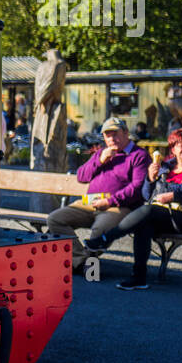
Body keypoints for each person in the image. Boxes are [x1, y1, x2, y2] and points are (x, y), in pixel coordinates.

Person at [86, 127, 182, 290]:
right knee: (143, 223)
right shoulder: (164, 167)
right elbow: (146, 195)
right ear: (173, 149)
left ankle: (105, 239)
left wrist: (173, 195)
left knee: (148, 211)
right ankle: (139, 278)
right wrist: (150, 179)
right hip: (164, 217)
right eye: (181, 145)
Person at [46, 116, 149, 271]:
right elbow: (82, 176)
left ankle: (83, 264)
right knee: (55, 219)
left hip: (118, 206)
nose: (112, 138)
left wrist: (110, 201)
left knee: (99, 231)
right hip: (89, 202)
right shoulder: (101, 153)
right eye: (108, 135)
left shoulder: (138, 155)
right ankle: (82, 261)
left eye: (115, 133)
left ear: (126, 133)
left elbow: (137, 187)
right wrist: (100, 160)